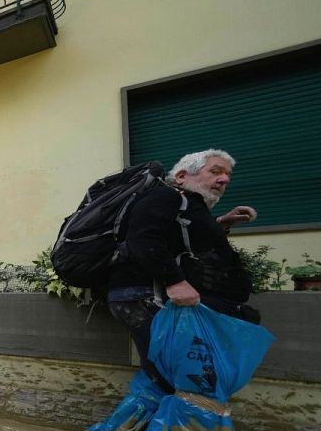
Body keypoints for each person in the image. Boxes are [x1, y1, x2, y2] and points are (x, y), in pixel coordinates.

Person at [107, 149, 259, 397]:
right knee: (177, 378)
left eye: (228, 175)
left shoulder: (186, 205)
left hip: (151, 296)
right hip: (148, 296)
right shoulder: (168, 197)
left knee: (174, 376)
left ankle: (157, 430)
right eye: (215, 171)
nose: (225, 179)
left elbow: (178, 239)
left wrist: (222, 223)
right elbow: (143, 237)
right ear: (181, 176)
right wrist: (175, 282)